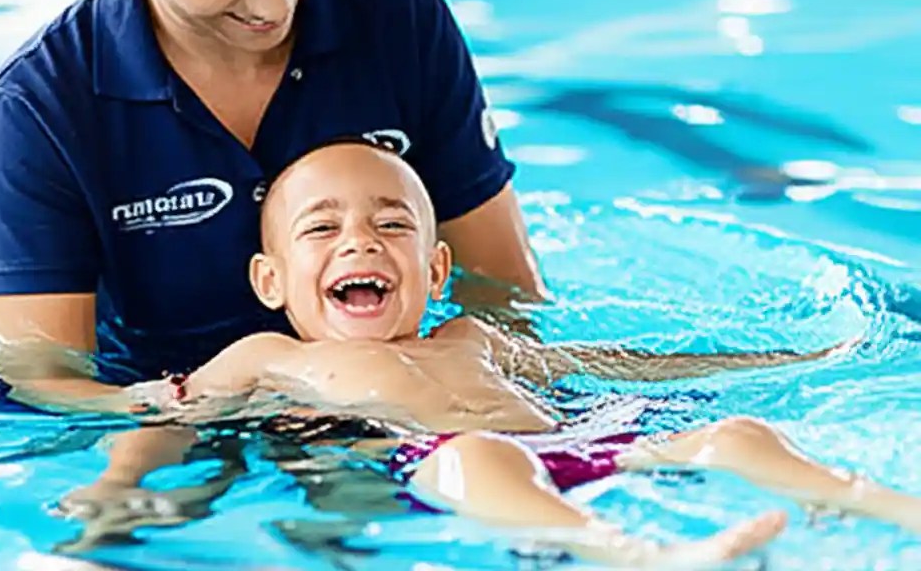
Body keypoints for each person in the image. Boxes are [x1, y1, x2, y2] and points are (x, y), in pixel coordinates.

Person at [58, 139, 919, 568]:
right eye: (323, 229)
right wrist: (117, 481)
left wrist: (775, 363)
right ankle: (644, 556)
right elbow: (172, 410)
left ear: (436, 269)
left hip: (586, 436)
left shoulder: (469, 335)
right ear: (270, 279)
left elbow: (612, 365)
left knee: (734, 436)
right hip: (449, 456)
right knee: (477, 458)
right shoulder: (265, 355)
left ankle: (881, 502)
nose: (360, 241)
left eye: (391, 224)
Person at [0, 0, 545, 408]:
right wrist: (228, 391)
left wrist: (454, 382)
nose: (273, 3)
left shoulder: (404, 30)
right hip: (181, 420)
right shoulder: (40, 108)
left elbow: (505, 297)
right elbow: (45, 383)